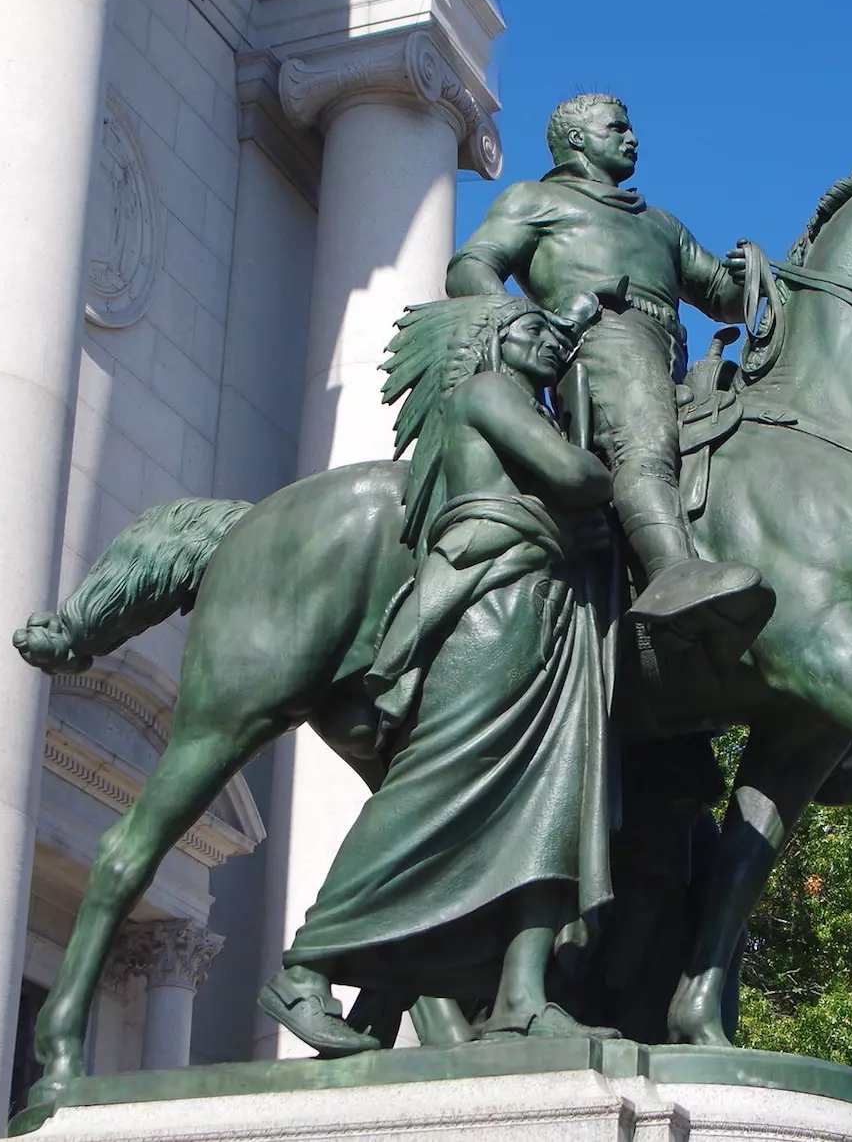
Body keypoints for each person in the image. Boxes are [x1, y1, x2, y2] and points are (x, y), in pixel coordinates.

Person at [261, 293, 618, 1053]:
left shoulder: (530, 403)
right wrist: (589, 469)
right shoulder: (487, 393)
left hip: (550, 607)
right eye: (529, 331)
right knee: (434, 780)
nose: (547, 344)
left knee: (556, 800)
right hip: (494, 603)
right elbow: (574, 474)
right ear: (492, 341)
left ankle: (523, 993)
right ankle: (308, 968)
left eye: (554, 338)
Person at [445, 94, 768, 654]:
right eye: (617, 128)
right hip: (600, 338)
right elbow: (471, 267)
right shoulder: (535, 200)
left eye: (630, 127)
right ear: (577, 140)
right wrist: (528, 325)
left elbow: (721, 296)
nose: (632, 137)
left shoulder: (660, 224)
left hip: (673, 352)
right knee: (646, 442)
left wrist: (748, 275)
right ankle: (672, 572)